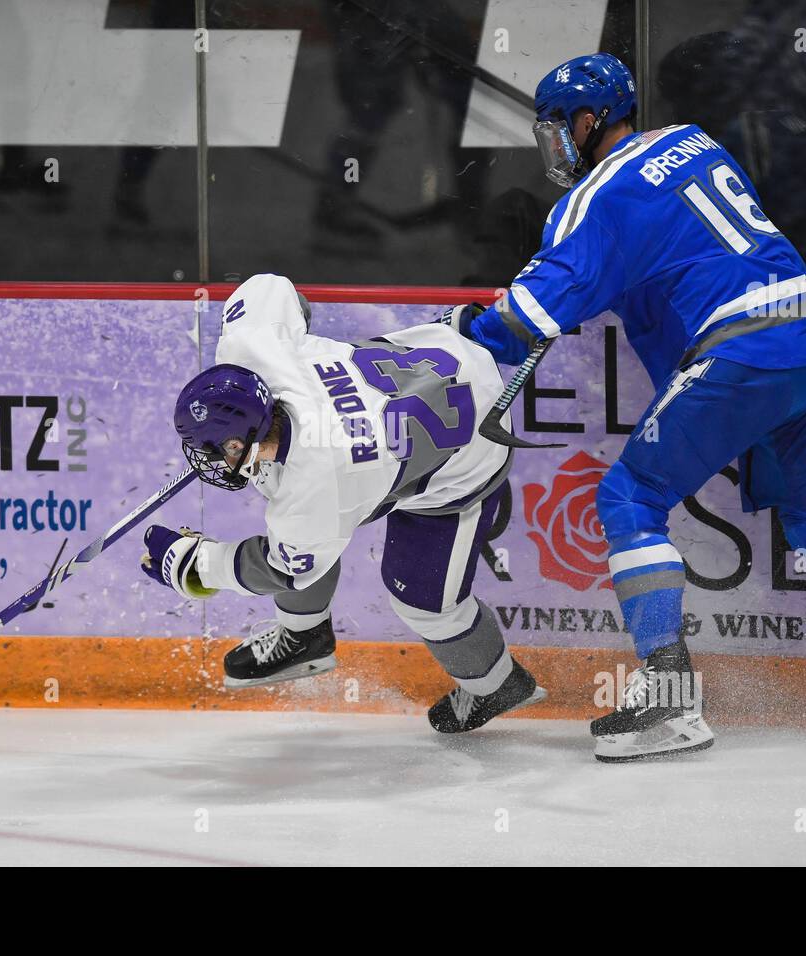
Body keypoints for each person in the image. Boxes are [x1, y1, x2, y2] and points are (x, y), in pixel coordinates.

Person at [441, 53, 806, 761]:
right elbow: (668, 255)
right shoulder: (694, 141)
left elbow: (527, 312)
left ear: (587, 122)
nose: (553, 141)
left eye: (557, 125)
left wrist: (465, 327)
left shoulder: (595, 198)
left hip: (742, 354)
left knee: (629, 495)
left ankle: (670, 702)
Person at [139, 273, 545, 733]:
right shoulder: (255, 347)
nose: (206, 462)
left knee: (425, 602)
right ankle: (306, 635)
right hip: (444, 359)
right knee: (288, 502)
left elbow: (287, 567)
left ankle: (497, 685)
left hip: (471, 447)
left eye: (215, 451)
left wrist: (197, 564)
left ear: (236, 446)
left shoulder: (316, 486)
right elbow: (276, 287)